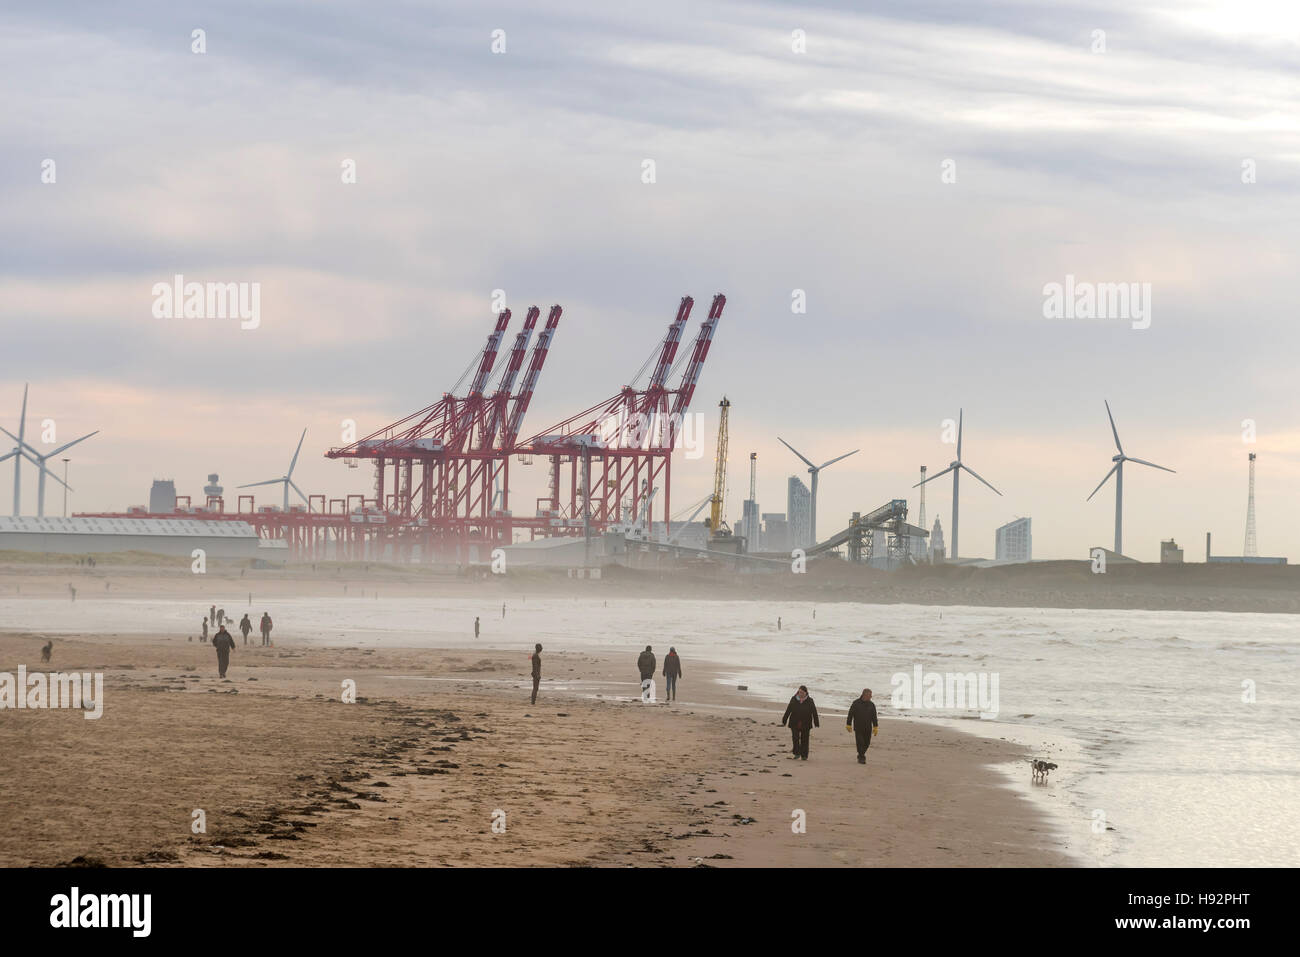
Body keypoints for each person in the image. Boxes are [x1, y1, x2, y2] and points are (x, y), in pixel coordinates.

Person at [781, 685, 820, 760]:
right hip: (794, 722)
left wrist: (816, 722)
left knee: (805, 739)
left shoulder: (810, 700)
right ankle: (796, 753)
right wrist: (784, 720)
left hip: (806, 723)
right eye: (799, 692)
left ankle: (804, 755)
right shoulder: (794, 699)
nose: (800, 694)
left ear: (806, 693)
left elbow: (814, 712)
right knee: (795, 738)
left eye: (802, 692)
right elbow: (788, 710)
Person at [845, 688, 879, 764]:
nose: (871, 697)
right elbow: (850, 714)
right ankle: (861, 757)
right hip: (858, 727)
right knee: (860, 742)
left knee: (867, 743)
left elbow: (874, 716)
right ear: (864, 695)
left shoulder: (872, 705)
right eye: (869, 695)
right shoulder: (856, 703)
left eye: (871, 695)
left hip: (868, 728)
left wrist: (875, 726)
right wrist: (848, 724)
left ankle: (861, 754)